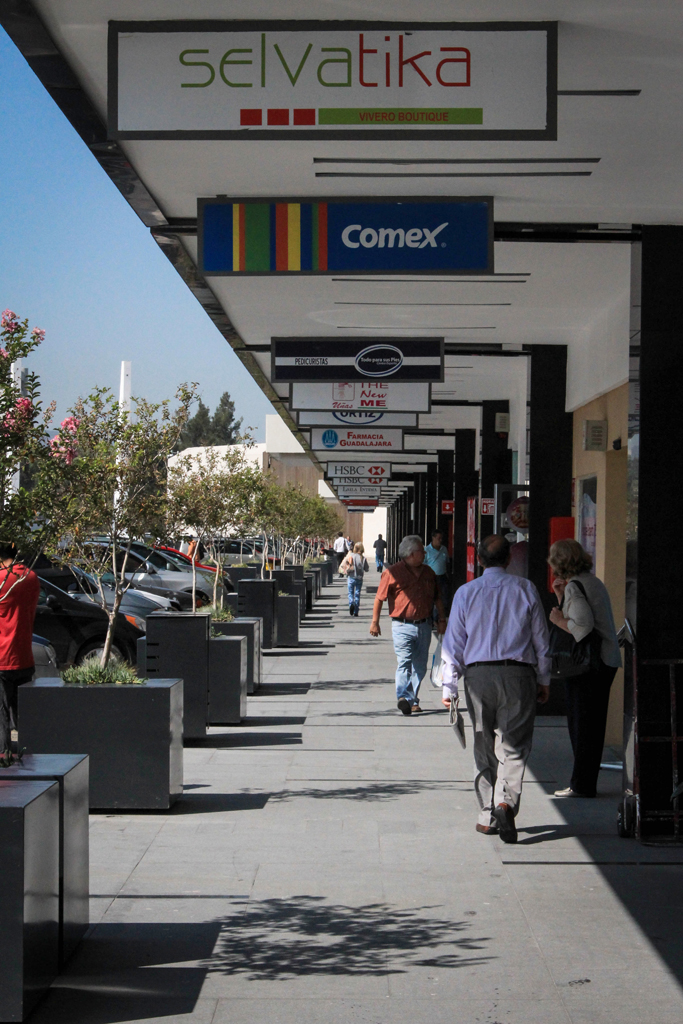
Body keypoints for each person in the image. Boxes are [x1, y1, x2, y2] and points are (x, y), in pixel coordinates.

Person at [441, 535, 550, 844]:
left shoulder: (465, 593)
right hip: (518, 675)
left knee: (483, 744)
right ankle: (506, 802)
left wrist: (449, 686)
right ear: (508, 560)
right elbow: (541, 640)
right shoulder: (525, 589)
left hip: (477, 676)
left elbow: (453, 645)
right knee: (514, 745)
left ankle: (488, 813)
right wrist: (544, 680)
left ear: (479, 561)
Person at [547, 538, 621, 799]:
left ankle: (581, 784)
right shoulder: (590, 582)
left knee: (581, 725)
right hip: (604, 661)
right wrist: (561, 596)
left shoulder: (576, 587)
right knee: (592, 724)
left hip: (588, 667)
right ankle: (585, 782)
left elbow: (582, 626)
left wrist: (557, 619)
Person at [370, 535, 447, 716]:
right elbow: (379, 598)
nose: (425, 553)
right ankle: (404, 697)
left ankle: (411, 699)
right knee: (404, 662)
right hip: (402, 625)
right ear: (411, 554)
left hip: (425, 625)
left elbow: (438, 598)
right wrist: (375, 622)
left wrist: (442, 620)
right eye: (422, 551)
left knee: (420, 666)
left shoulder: (429, 573)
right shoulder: (392, 573)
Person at [0, 543, 40, 756]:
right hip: (24, 655)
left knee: (1, 715)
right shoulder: (31, 578)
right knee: (23, 715)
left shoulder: (1, 580)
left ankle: (4, 759)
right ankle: (28, 757)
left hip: (2, 657)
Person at [424, 529, 451, 614]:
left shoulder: (444, 549)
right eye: (438, 538)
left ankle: (440, 616)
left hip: (442, 577)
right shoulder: (427, 550)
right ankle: (432, 617)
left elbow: (447, 562)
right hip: (432, 577)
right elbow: (423, 565)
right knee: (432, 598)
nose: (440, 540)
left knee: (443, 598)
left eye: (441, 538)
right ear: (433, 538)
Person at [340, 542, 369, 616]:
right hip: (359, 578)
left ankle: (351, 603)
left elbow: (344, 563)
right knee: (357, 593)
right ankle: (356, 610)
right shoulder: (363, 558)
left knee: (350, 593)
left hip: (351, 577)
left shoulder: (351, 555)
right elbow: (366, 569)